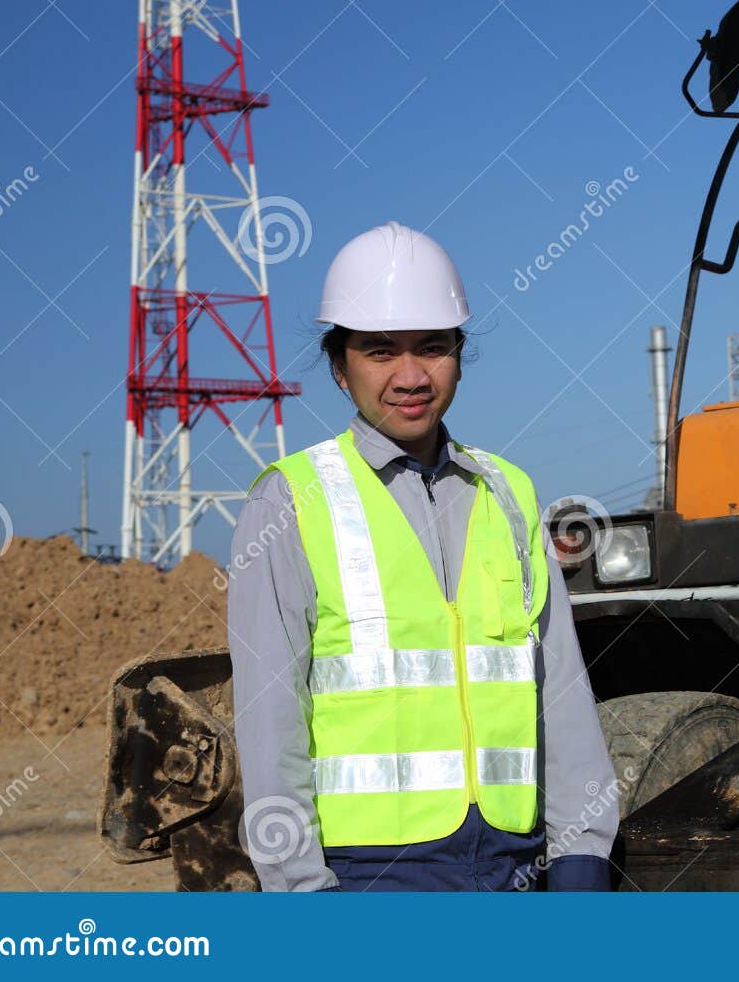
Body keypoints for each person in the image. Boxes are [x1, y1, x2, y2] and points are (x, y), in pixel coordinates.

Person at [226, 221, 618, 891]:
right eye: (381, 351)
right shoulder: (290, 501)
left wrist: (581, 858)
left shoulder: (509, 493)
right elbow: (271, 727)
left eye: (432, 347)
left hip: (513, 866)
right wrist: (299, 891)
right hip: (368, 879)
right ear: (339, 364)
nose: (411, 376)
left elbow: (562, 697)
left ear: (460, 352)